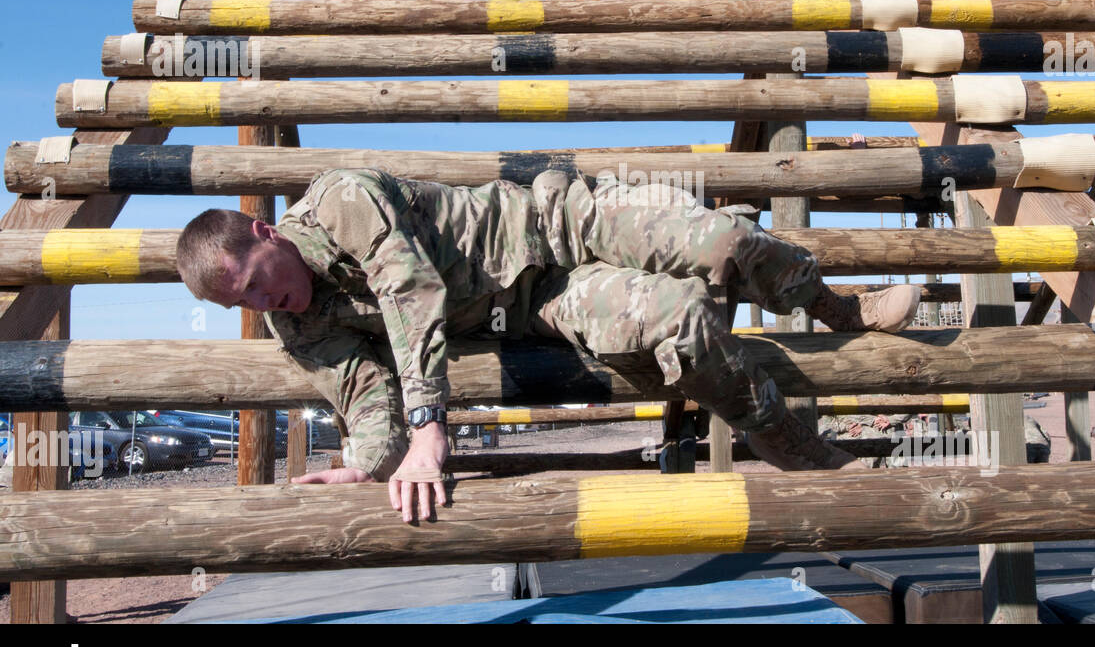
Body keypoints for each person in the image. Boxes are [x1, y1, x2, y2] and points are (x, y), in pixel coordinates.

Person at [176, 168, 920, 523]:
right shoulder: (294, 322)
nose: (261, 302)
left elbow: (411, 291)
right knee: (681, 324)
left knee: (719, 239)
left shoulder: (341, 200)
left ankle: (832, 304)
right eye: (238, 301)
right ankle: (783, 436)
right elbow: (363, 392)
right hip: (540, 304)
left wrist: (430, 430)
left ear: (268, 234)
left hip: (553, 225)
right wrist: (366, 461)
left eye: (254, 280)